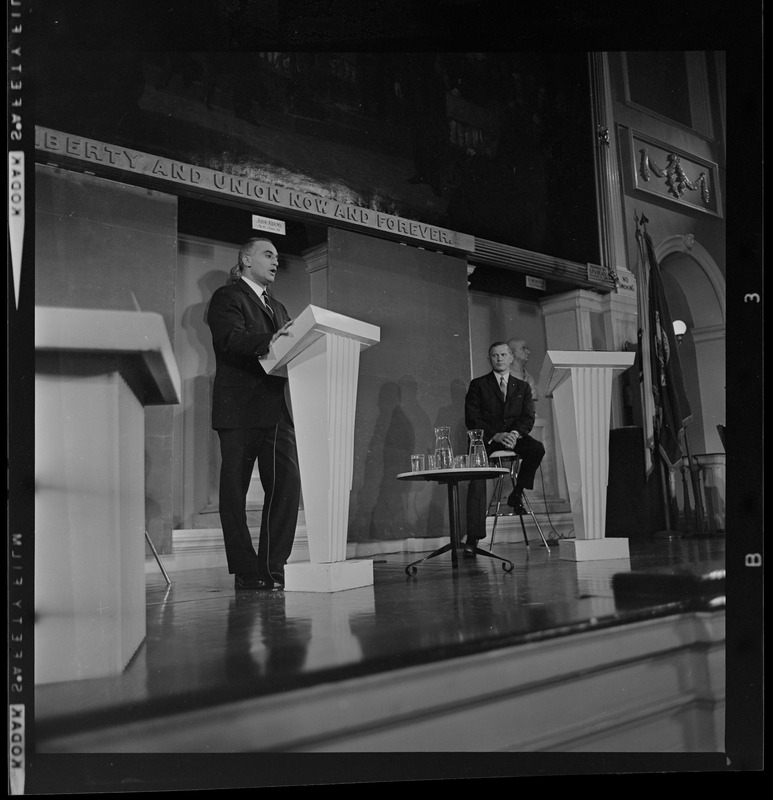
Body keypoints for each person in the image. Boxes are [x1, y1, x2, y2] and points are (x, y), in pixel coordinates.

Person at [207, 237, 299, 591]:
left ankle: (274, 567)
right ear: (246, 259)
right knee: (235, 492)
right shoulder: (227, 297)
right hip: (239, 408)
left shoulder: (278, 305)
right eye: (268, 254)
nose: (276, 261)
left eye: (278, 256)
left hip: (277, 409)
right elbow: (230, 340)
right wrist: (274, 340)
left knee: (287, 484)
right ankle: (246, 570)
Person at [464, 341, 545, 556]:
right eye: (494, 355)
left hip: (513, 437)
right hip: (486, 440)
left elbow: (527, 418)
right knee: (477, 478)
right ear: (489, 359)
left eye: (503, 355)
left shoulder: (523, 387)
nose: (499, 359)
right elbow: (472, 419)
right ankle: (473, 538)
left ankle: (516, 494)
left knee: (537, 449)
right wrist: (496, 435)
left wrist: (515, 435)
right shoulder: (478, 385)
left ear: (510, 358)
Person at [507, 337, 539, 401]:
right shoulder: (503, 376)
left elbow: (533, 398)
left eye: (527, 349)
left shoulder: (529, 377)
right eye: (523, 348)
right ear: (512, 352)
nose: (528, 352)